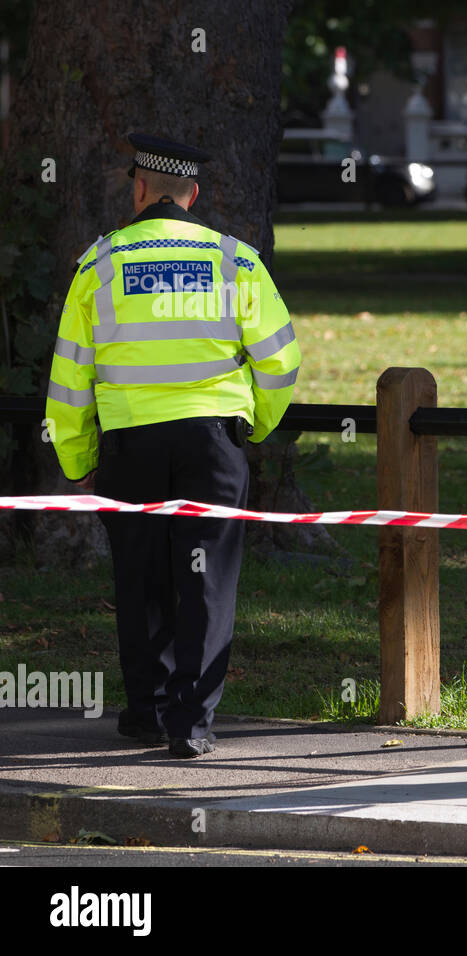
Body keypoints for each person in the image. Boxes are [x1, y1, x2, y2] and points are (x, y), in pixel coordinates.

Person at [45, 133, 300, 758]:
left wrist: (78, 458)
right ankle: (191, 724)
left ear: (138, 191)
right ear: (192, 194)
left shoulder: (98, 265)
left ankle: (145, 710)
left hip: (130, 445)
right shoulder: (236, 261)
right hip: (213, 443)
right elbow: (281, 360)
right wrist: (254, 428)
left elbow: (70, 377)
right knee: (206, 579)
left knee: (139, 577)